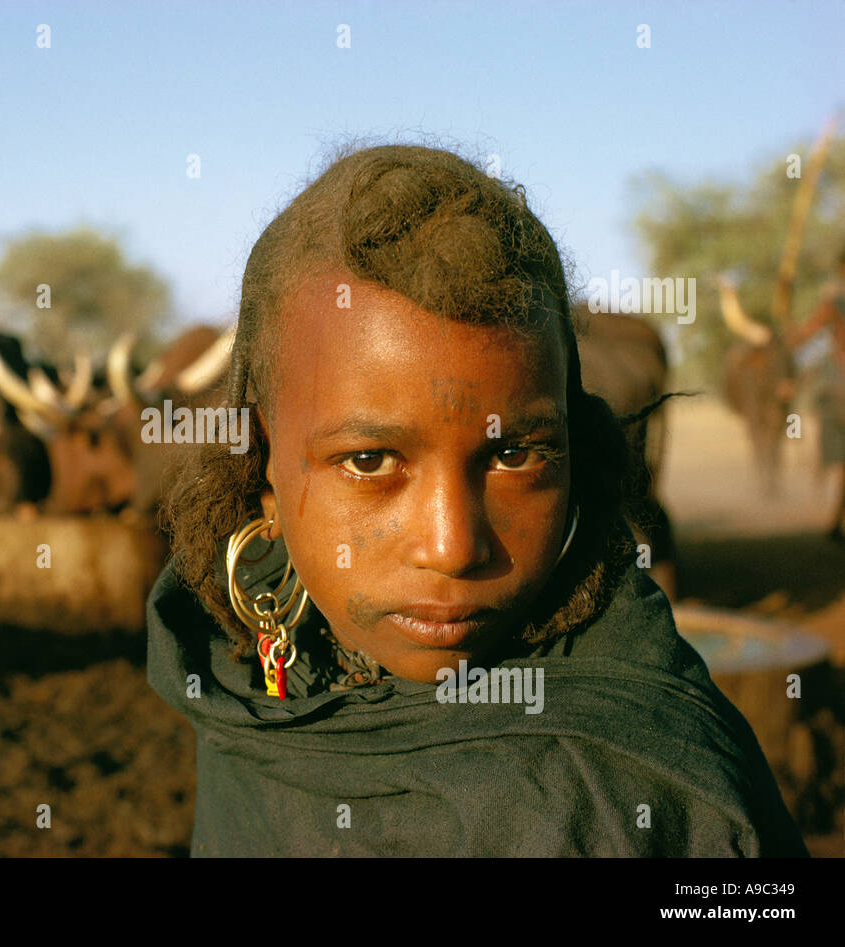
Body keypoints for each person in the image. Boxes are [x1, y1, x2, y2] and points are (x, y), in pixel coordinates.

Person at [146, 144, 807, 856]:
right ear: (261, 468)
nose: (454, 545)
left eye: (514, 455)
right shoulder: (240, 692)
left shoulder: (656, 787)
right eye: (370, 460)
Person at [786, 250, 845, 542]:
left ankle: (832, 515)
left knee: (836, 455)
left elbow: (801, 337)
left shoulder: (834, 302)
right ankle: (833, 516)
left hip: (839, 385)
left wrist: (786, 316)